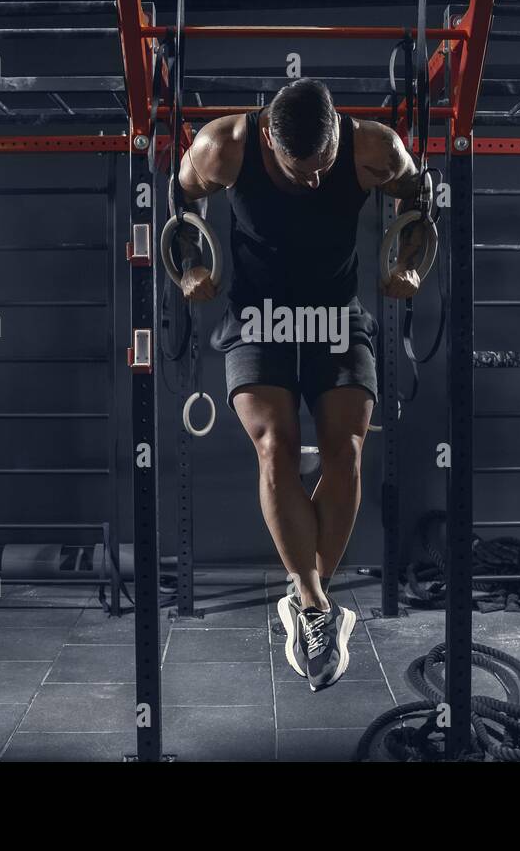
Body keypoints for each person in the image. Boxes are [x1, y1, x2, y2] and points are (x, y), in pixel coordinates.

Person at [170, 77, 432, 690]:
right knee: (274, 447)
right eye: (299, 170)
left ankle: (306, 602)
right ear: (267, 136)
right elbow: (181, 206)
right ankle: (316, 607)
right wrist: (191, 266)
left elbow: (419, 202)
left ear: (338, 130)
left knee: (347, 451)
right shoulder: (222, 146)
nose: (315, 181)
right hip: (256, 319)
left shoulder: (374, 146)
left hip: (337, 317)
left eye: (324, 166)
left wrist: (412, 263)